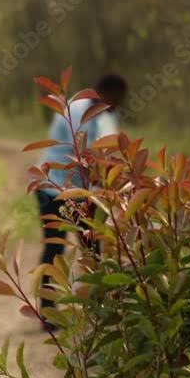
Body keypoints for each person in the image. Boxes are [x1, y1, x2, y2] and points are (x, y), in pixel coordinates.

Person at [36, 74, 128, 311]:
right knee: (55, 248)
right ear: (105, 95)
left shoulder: (105, 114)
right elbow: (85, 159)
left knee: (92, 248)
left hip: (84, 191)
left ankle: (97, 306)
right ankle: (48, 309)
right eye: (117, 100)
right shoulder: (78, 113)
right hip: (55, 189)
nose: (119, 105)